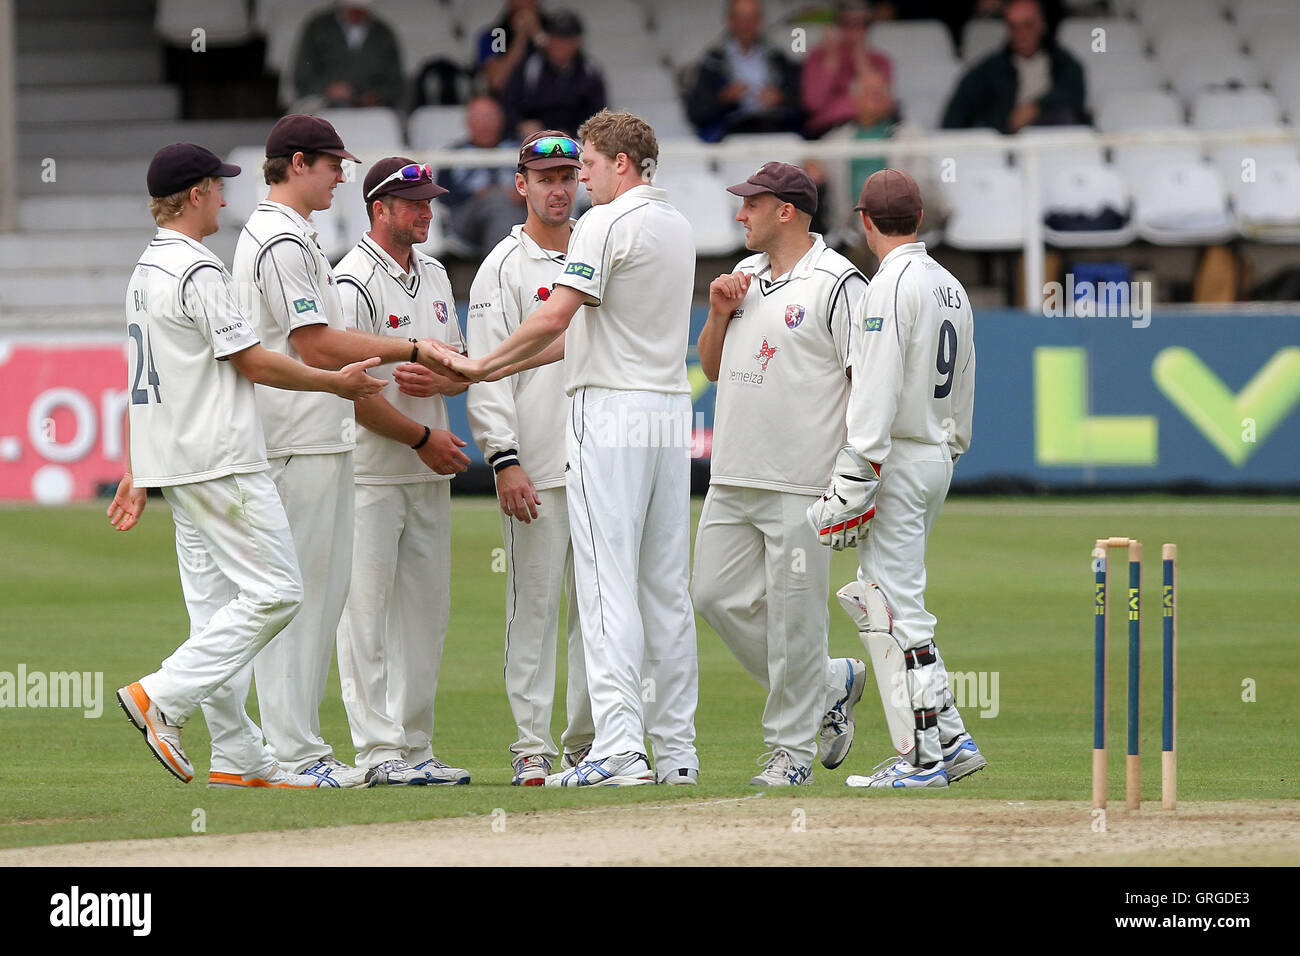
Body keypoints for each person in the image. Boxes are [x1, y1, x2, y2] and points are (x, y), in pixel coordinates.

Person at [432, 110, 699, 789]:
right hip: (667, 413)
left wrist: (475, 366)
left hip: (609, 409)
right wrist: (490, 373)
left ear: (622, 163)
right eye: (561, 173)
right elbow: (576, 333)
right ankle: (675, 752)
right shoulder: (678, 224)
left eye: (587, 166)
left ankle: (617, 750)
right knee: (663, 588)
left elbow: (556, 316)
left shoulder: (607, 224)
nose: (579, 181)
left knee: (605, 588)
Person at [113, 143, 387, 789]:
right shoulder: (198, 271)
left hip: (177, 463)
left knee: (213, 612)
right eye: (217, 186)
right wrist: (334, 385)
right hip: (221, 461)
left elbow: (144, 379)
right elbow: (254, 362)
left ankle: (237, 751)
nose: (226, 198)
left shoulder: (145, 269)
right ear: (195, 195)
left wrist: (138, 464)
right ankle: (161, 696)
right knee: (277, 592)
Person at [231, 114, 456, 788]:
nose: (339, 177)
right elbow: (318, 344)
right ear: (298, 163)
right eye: (333, 165)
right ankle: (294, 753)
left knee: (313, 599)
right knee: (303, 601)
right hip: (297, 439)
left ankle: (298, 749)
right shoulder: (281, 240)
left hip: (312, 439)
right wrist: (410, 347)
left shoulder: (295, 237)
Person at [807, 168, 985, 789]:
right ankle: (951, 737)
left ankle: (926, 758)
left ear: (864, 221)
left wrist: (855, 475)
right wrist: (952, 446)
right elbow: (964, 381)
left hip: (898, 459)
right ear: (918, 219)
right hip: (936, 453)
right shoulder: (950, 285)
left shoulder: (887, 287)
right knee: (882, 597)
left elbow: (875, 389)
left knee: (896, 608)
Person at [692, 162, 869, 786]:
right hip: (734, 472)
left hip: (804, 482)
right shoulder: (741, 276)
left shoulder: (837, 282)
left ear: (786, 212)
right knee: (712, 596)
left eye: (752, 205)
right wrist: (716, 314)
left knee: (797, 618)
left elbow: (864, 384)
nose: (741, 214)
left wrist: (853, 475)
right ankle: (829, 682)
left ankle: (790, 754)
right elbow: (711, 368)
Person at [333, 158, 474, 786]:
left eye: (429, 201)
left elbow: (462, 366)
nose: (427, 211)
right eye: (413, 202)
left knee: (425, 614)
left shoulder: (438, 274)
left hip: (427, 471)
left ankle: (416, 748)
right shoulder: (351, 282)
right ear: (379, 208)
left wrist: (442, 379)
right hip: (371, 474)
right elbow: (350, 391)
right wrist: (420, 438)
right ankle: (376, 752)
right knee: (365, 615)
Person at [465, 131, 595, 786]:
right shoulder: (503, 269)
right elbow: (487, 375)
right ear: (521, 185)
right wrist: (504, 458)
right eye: (544, 177)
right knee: (534, 611)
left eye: (568, 176)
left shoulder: (600, 253)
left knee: (599, 614)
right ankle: (530, 746)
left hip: (604, 469)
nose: (557, 188)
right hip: (538, 465)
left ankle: (588, 744)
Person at [941, 0, 1085, 133]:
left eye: (1027, 25)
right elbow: (956, 116)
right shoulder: (988, 70)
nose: (1021, 34)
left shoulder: (1064, 63)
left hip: (1052, 141)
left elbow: (1074, 95)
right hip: (1005, 145)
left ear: (1042, 24)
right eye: (1014, 26)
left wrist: (1036, 107)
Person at [685, 0, 802, 143]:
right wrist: (723, 98)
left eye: (752, 17)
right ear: (730, 20)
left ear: (760, 20)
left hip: (776, 128)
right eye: (741, 18)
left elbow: (803, 102)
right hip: (732, 133)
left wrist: (781, 98)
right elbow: (696, 112)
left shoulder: (778, 58)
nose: (746, 24)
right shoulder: (712, 62)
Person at [436, 96, 525, 257]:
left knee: (500, 206)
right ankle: (508, 267)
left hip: (519, 210)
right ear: (468, 122)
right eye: (479, 117)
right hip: (468, 217)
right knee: (497, 200)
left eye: (490, 117)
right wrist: (477, 195)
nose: (485, 123)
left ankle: (498, 271)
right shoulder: (453, 154)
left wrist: (523, 195)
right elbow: (443, 197)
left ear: (501, 119)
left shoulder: (520, 148)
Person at [502, 10, 607, 137]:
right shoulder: (530, 67)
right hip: (533, 140)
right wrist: (521, 124)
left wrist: (574, 132)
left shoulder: (589, 71)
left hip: (575, 141)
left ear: (577, 42)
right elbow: (509, 103)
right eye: (555, 38)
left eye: (565, 39)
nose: (559, 44)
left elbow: (599, 114)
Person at [801, 0, 894, 138]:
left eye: (860, 24)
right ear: (836, 26)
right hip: (828, 130)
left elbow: (881, 103)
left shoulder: (881, 60)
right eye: (846, 23)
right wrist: (830, 60)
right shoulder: (818, 56)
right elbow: (813, 104)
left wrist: (861, 60)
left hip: (874, 128)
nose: (853, 30)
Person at [292, 1, 404, 109]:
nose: (357, 14)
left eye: (361, 10)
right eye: (352, 9)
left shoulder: (383, 33)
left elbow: (395, 83)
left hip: (371, 110)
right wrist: (327, 89)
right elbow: (302, 77)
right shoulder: (318, 28)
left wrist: (377, 95)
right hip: (323, 106)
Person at [475, 0, 548, 97]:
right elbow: (496, 81)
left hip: (551, 104)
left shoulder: (555, 30)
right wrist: (520, 37)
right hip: (507, 104)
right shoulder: (496, 35)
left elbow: (564, 69)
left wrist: (537, 34)